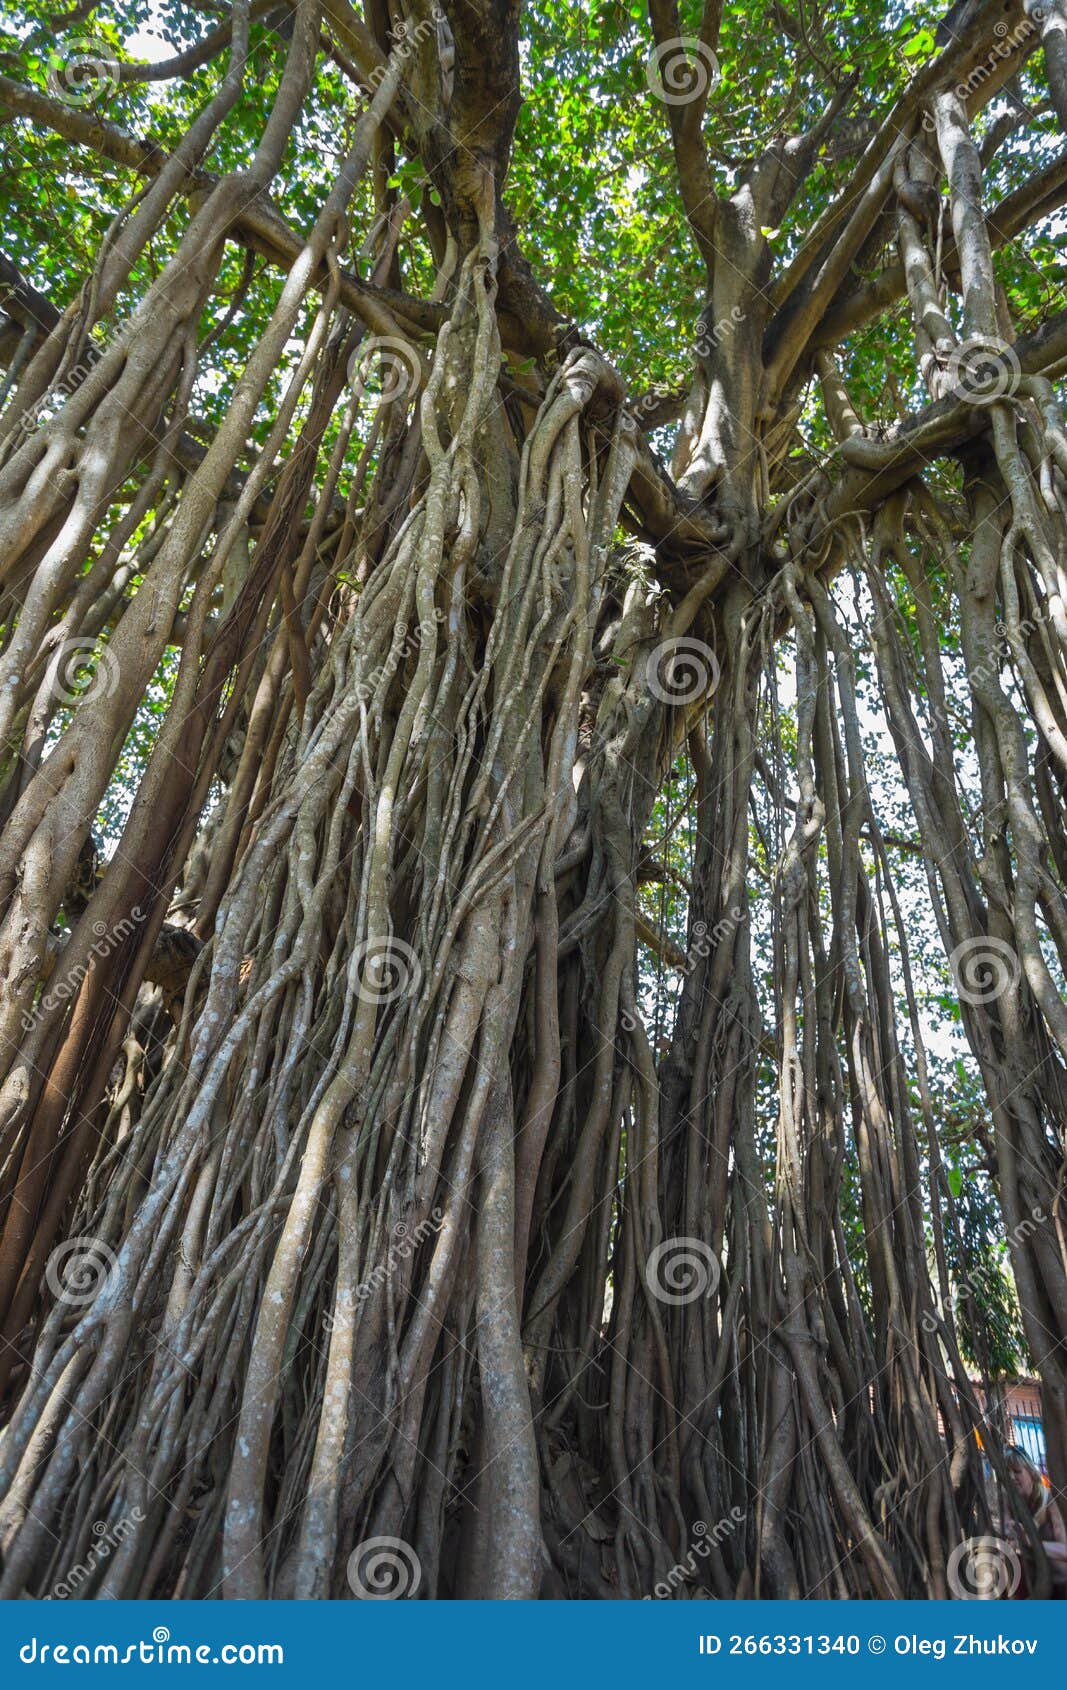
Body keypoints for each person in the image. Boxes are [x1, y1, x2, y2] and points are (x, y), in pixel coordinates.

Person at [1003, 1449, 1067, 1596]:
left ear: (1031, 1472)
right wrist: (1010, 1531)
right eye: (1008, 1473)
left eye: (1017, 1471)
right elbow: (1006, 1531)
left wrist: (1031, 1541)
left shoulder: (1049, 1500)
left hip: (1060, 1584)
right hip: (1032, 1584)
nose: (1012, 1477)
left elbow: (1065, 1551)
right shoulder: (1007, 1500)